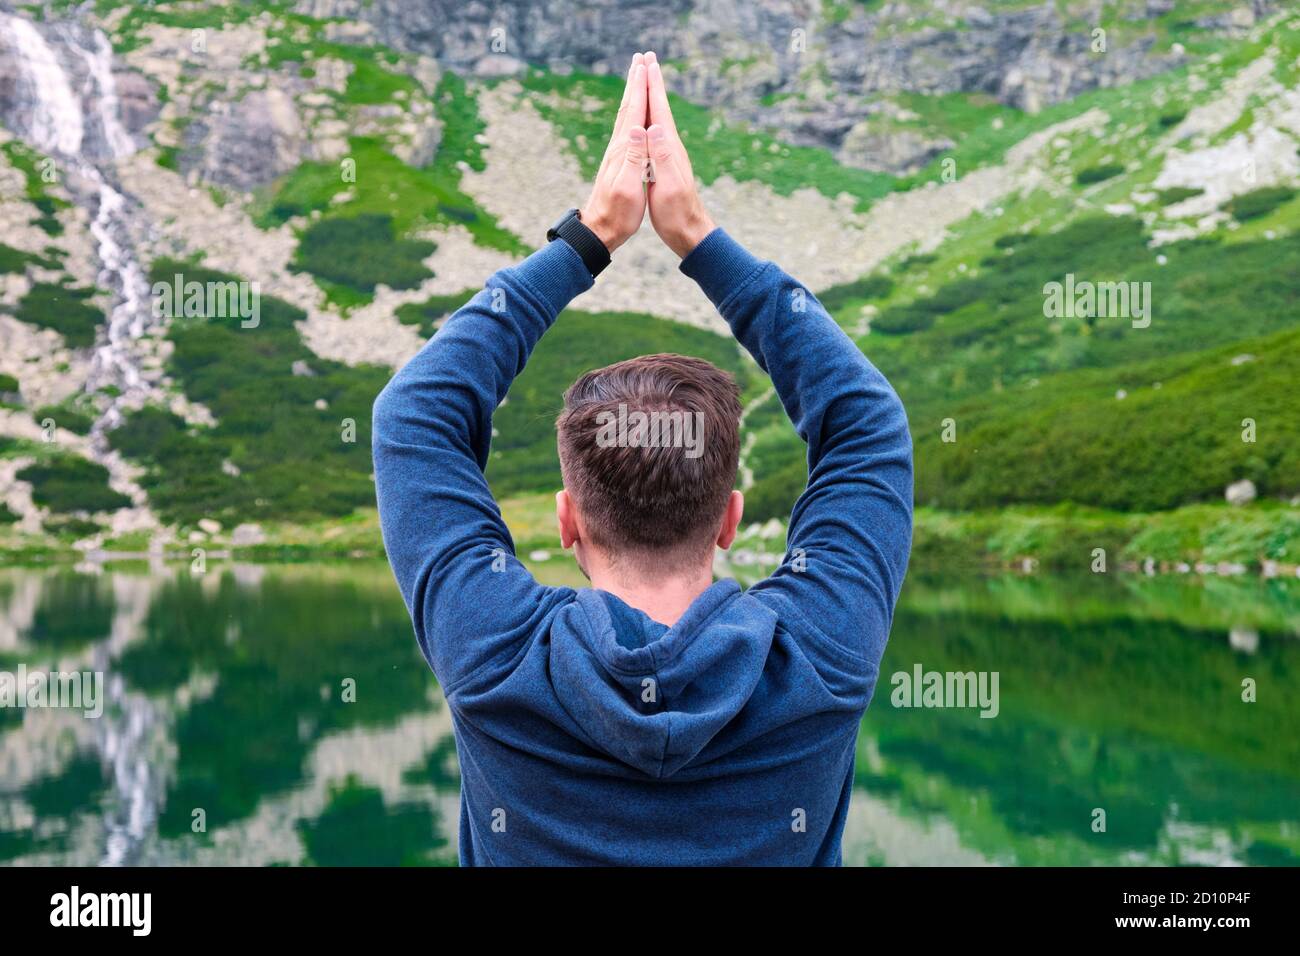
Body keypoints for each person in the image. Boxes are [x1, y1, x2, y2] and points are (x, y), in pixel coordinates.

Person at [372, 51, 913, 865]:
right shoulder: (818, 655)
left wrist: (588, 238)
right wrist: (698, 237)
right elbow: (868, 427)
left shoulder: (495, 655)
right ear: (730, 519)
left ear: (567, 520)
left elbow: (412, 414)